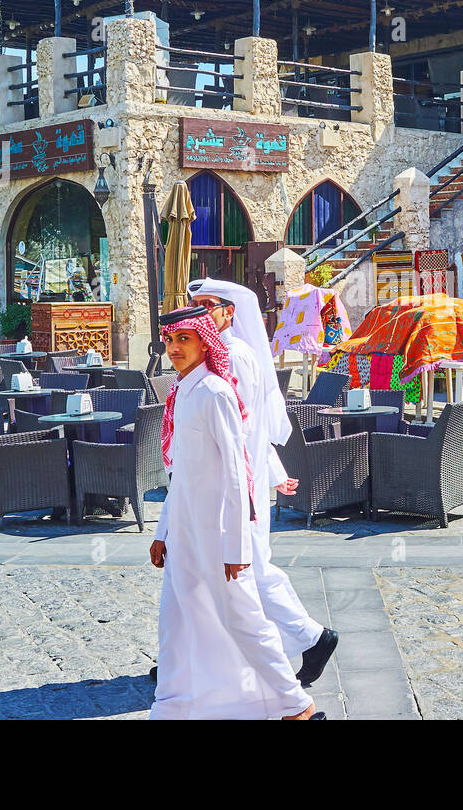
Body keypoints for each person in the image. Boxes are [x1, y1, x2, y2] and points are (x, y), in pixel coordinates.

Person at [149, 305, 318, 720]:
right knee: (176, 622)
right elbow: (180, 476)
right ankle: (172, 704)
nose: (174, 348)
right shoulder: (180, 392)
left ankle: (297, 705)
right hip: (184, 535)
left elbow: (235, 474)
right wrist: (163, 530)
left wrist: (236, 546)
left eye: (183, 339)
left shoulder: (215, 393)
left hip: (218, 534)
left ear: (205, 342)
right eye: (169, 339)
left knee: (244, 621)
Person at [186, 277, 338, 685]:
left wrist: (261, 476)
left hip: (235, 485)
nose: (197, 312)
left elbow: (239, 429)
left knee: (248, 570)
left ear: (228, 311)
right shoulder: (214, 353)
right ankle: (189, 659)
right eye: (193, 305)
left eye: (205, 305)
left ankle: (312, 638)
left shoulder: (234, 357)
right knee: (215, 573)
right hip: (224, 481)